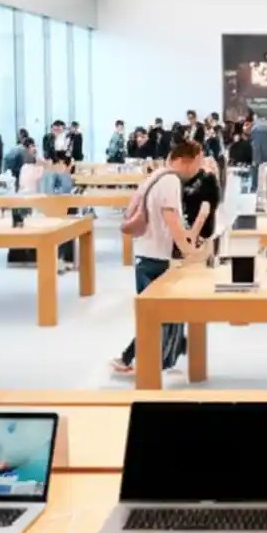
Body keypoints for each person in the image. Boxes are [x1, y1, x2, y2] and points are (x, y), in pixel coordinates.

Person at [111, 141, 208, 375]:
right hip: (154, 257)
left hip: (147, 253)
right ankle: (130, 359)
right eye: (197, 164)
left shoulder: (156, 176)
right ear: (185, 160)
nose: (197, 170)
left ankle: (166, 354)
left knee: (163, 314)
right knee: (158, 315)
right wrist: (189, 250)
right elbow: (171, 220)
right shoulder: (171, 181)